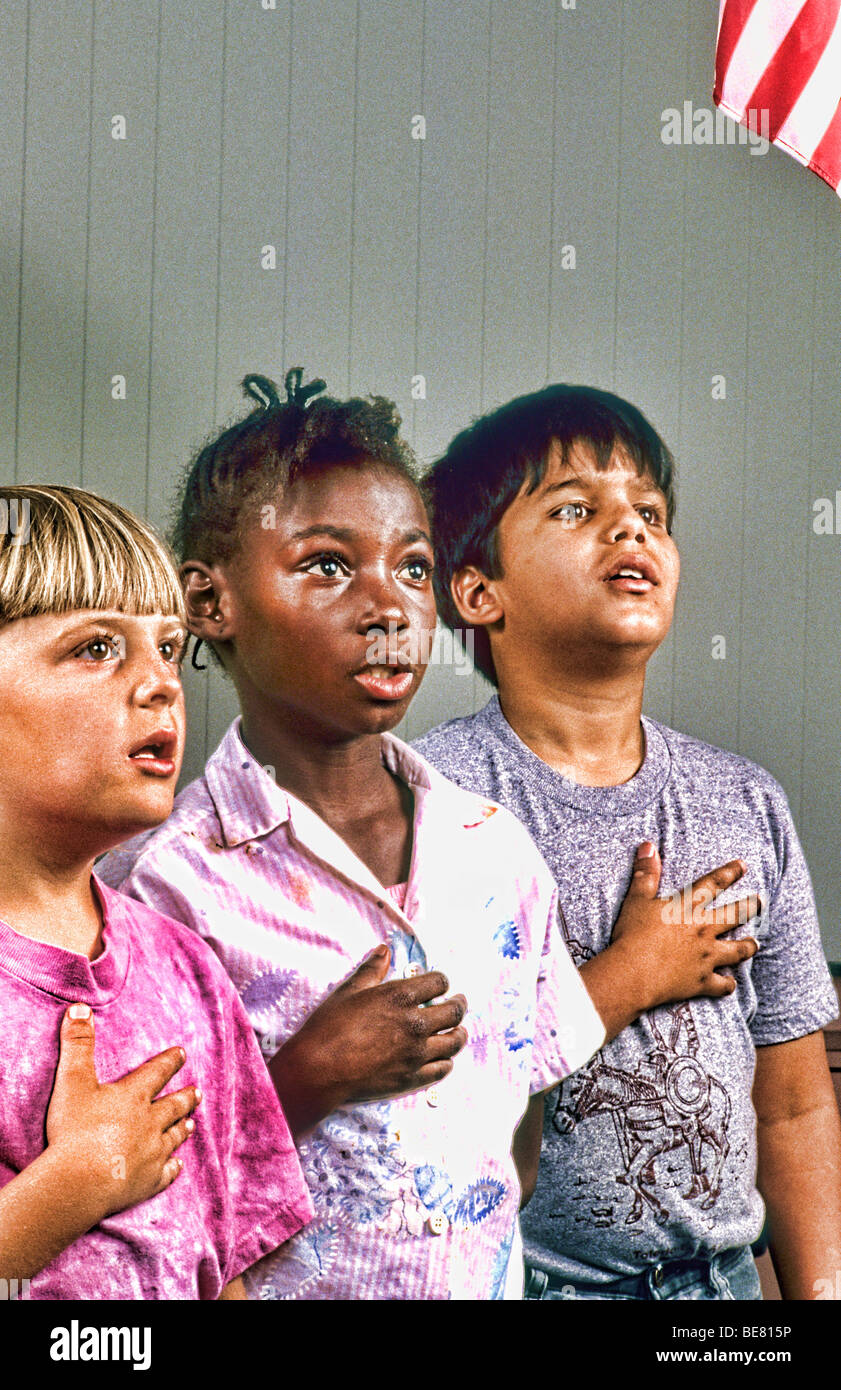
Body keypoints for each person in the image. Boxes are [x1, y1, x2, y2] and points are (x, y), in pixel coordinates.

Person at [100, 371, 758, 1300]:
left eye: (411, 567)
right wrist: (304, 1079)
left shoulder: (492, 849)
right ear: (211, 603)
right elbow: (129, 1194)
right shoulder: (164, 882)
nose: (387, 605)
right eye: (328, 564)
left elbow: (518, 1134)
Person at [414, 383, 841, 1300]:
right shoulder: (425, 802)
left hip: (721, 1290)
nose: (630, 530)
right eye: (577, 508)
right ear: (478, 591)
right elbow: (435, 1101)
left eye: (648, 511)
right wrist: (632, 973)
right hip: (520, 1285)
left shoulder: (743, 802)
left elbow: (796, 1105)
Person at [0, 485, 312, 1299]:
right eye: (97, 648)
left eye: (169, 648)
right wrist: (66, 1190)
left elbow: (228, 1266)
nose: (161, 683)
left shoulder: (186, 968)